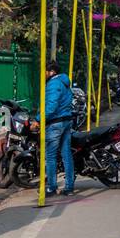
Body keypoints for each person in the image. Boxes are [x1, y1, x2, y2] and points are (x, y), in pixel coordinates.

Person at [44, 60, 76, 196]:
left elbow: (51, 106)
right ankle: (69, 186)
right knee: (66, 154)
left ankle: (51, 186)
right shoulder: (64, 82)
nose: (44, 74)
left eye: (45, 71)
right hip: (67, 120)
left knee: (50, 156)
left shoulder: (53, 84)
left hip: (56, 122)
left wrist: (39, 119)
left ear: (52, 72)